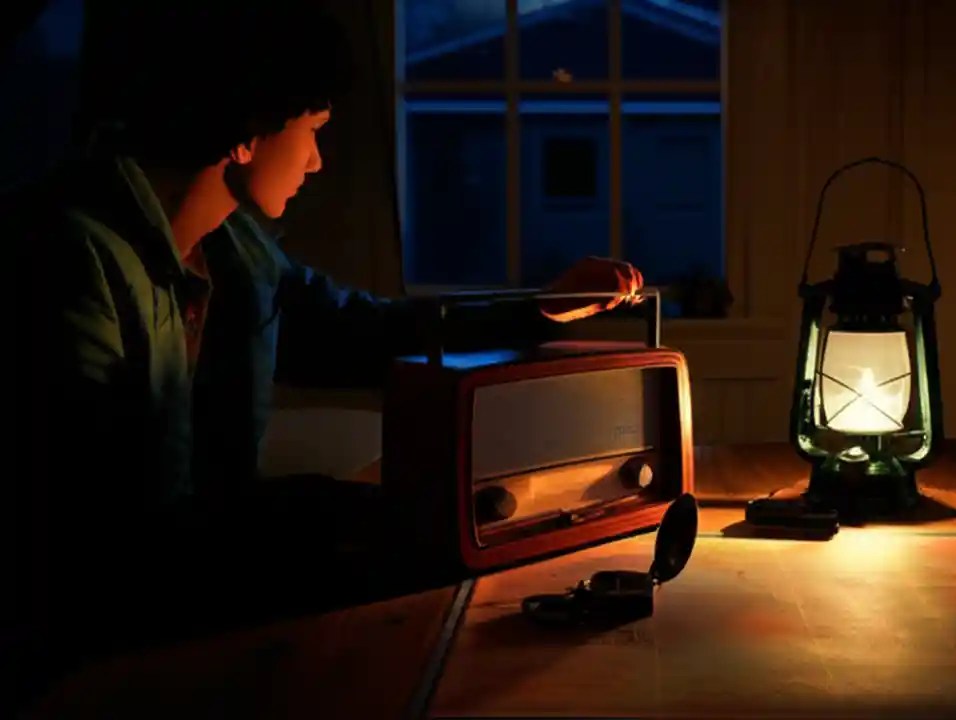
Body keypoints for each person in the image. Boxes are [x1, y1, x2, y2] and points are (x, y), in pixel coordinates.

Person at [6, 1, 644, 707]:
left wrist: (539, 309)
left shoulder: (238, 252)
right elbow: (102, 533)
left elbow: (366, 331)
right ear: (249, 131)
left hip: (203, 616)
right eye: (312, 129)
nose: (315, 160)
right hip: (94, 660)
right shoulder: (67, 256)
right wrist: (344, 518)